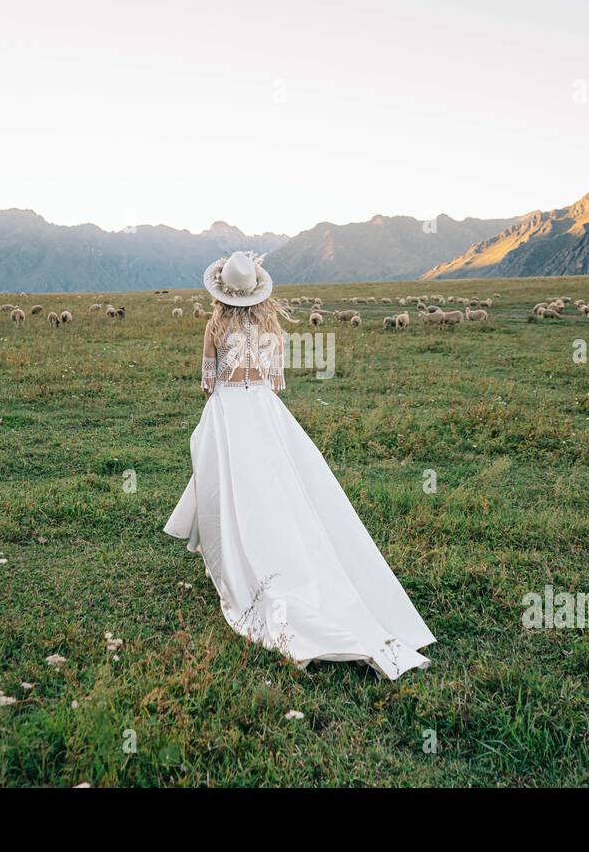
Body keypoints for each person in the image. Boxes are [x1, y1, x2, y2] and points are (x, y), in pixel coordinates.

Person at [164, 251, 435, 679]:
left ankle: (242, 558)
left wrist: (228, 393)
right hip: (265, 410)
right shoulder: (271, 328)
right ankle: (286, 557)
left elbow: (207, 382)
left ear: (220, 293)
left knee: (229, 486)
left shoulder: (214, 326)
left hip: (228, 411)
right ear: (257, 290)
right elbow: (275, 380)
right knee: (281, 488)